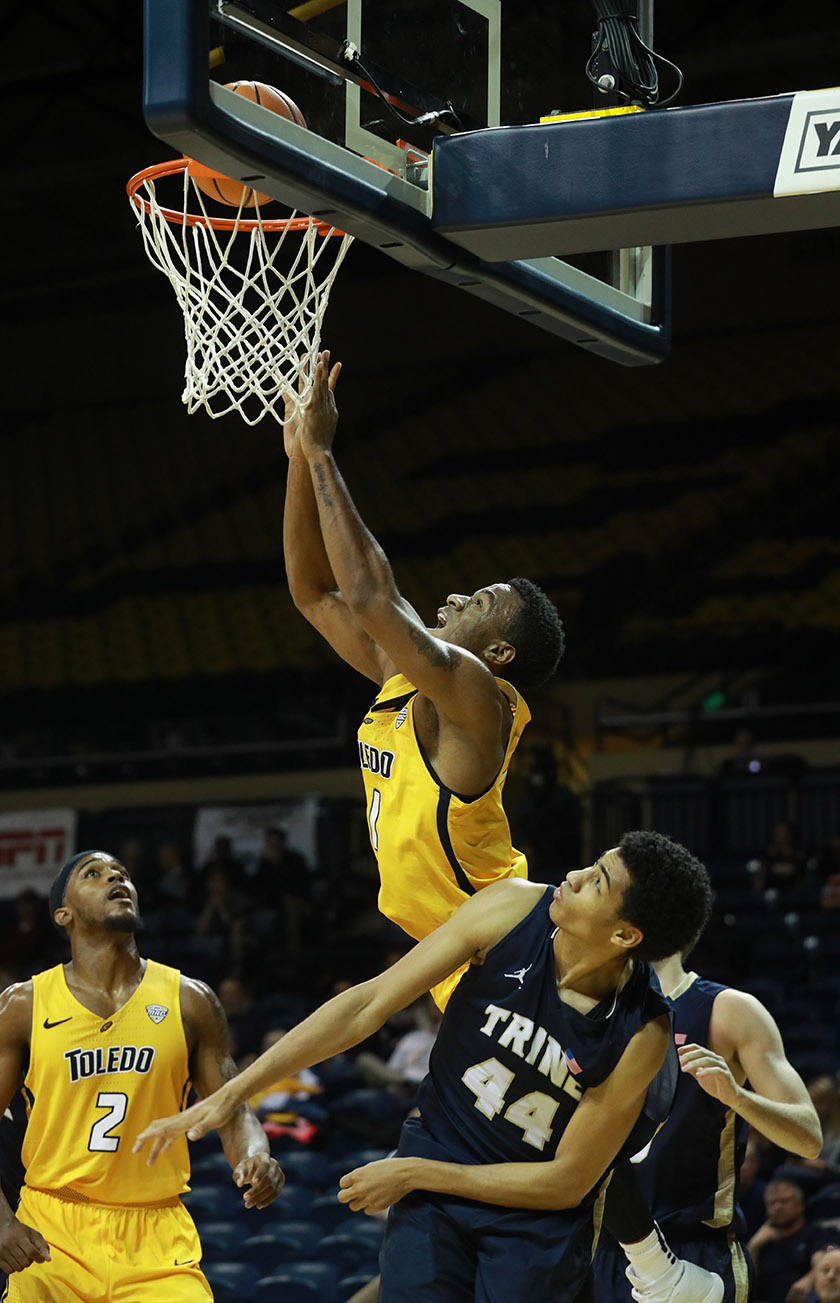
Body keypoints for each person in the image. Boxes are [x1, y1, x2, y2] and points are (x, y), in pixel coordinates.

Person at [137, 830, 713, 1303]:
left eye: (598, 882)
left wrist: (413, 1173)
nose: (576, 875)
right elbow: (366, 1005)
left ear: (624, 934)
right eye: (591, 863)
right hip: (438, 1165)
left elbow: (566, 1183)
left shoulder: (643, 1032)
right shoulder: (513, 907)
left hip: (533, 1218)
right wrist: (233, 1093)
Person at [283, 353, 565, 1006]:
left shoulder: (480, 697)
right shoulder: (401, 674)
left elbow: (369, 596)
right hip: (457, 958)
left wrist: (323, 453)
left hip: (517, 951)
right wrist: (298, 456)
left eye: (482, 601)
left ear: (498, 651)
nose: (459, 595)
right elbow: (313, 592)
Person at [0, 850, 283, 1300]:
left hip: (155, 1235)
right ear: (63, 914)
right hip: (53, 1232)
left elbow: (232, 1110)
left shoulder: (190, 1000)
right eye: (93, 874)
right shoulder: (23, 1006)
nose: (115, 877)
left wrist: (255, 1153)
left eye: (122, 873)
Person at [593, 942, 823, 1303]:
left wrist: (737, 1097)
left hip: (693, 1251)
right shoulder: (591, 1005)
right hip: (599, 1248)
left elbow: (809, 1136)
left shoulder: (729, 1010)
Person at [748, 1178, 829, 1303]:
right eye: (771, 1203)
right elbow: (748, 1283)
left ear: (800, 1205)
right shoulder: (762, 1241)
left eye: (784, 1201)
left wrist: (809, 1280)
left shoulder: (814, 1233)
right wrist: (753, 1246)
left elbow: (823, 1261)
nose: (778, 1207)